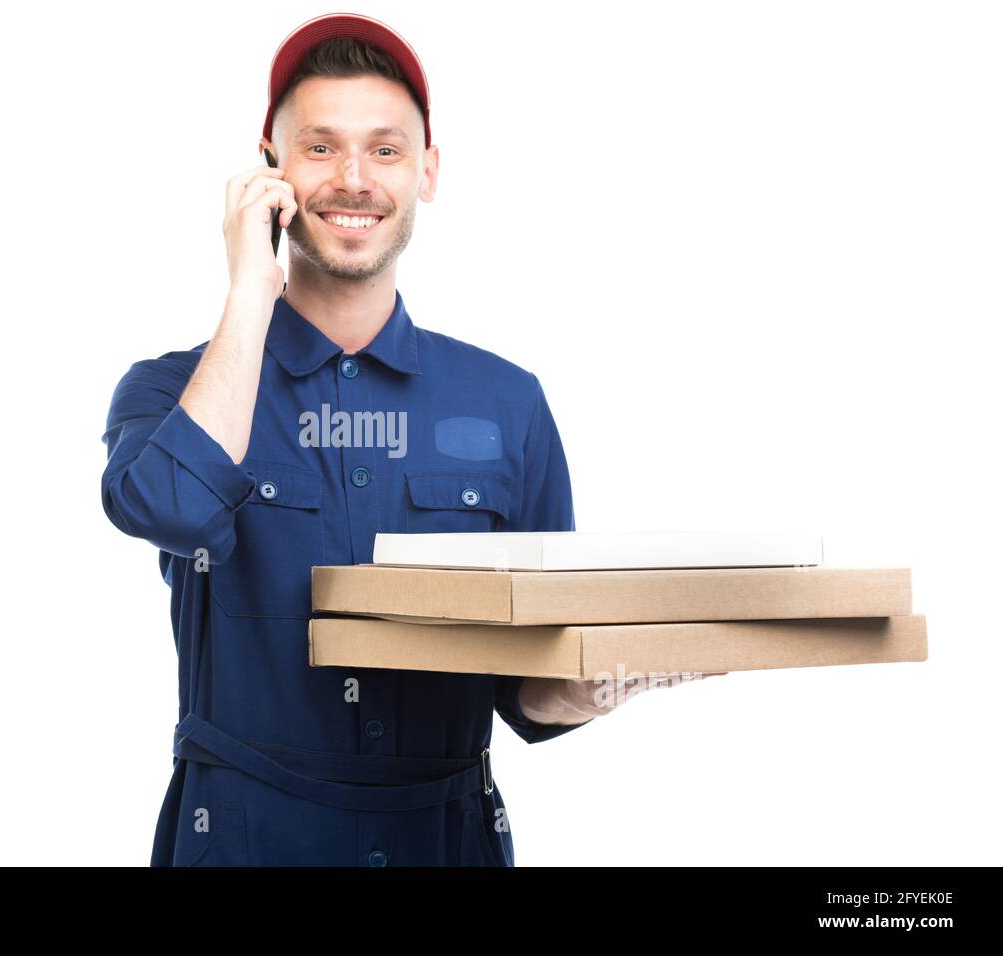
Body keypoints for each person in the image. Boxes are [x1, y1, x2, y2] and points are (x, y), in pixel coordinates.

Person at [101, 13, 720, 867]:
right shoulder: (171, 390)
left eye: (386, 150)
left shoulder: (509, 403)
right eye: (320, 148)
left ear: (428, 169)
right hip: (246, 839)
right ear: (270, 168)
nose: (354, 179)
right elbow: (171, 506)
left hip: (446, 841)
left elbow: (532, 684)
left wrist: (607, 679)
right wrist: (252, 288)